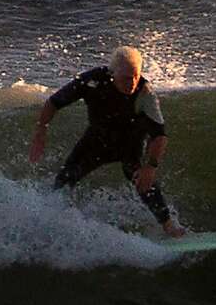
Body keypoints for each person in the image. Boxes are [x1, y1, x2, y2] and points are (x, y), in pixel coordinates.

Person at [29, 46, 185, 238]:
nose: (133, 82)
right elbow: (54, 102)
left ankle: (168, 226)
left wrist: (151, 166)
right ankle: (48, 222)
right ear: (113, 74)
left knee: (144, 181)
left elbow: (160, 135)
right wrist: (41, 132)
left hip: (130, 146)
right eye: (127, 78)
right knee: (64, 179)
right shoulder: (92, 81)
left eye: (136, 76)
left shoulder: (145, 93)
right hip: (96, 142)